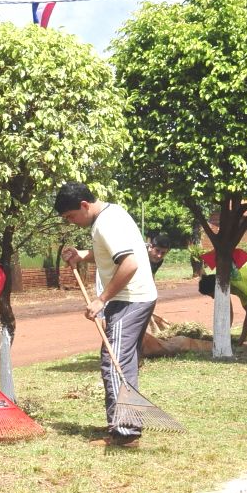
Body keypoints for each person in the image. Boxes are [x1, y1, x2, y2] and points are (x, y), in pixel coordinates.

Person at [55, 182, 158, 449]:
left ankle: (125, 432)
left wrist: (102, 299)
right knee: (124, 362)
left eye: (71, 216)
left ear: (84, 205)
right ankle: (128, 424)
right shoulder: (112, 214)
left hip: (128, 300)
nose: (71, 222)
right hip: (139, 297)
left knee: (114, 364)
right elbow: (110, 255)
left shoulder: (105, 223)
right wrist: (82, 255)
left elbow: (130, 263)